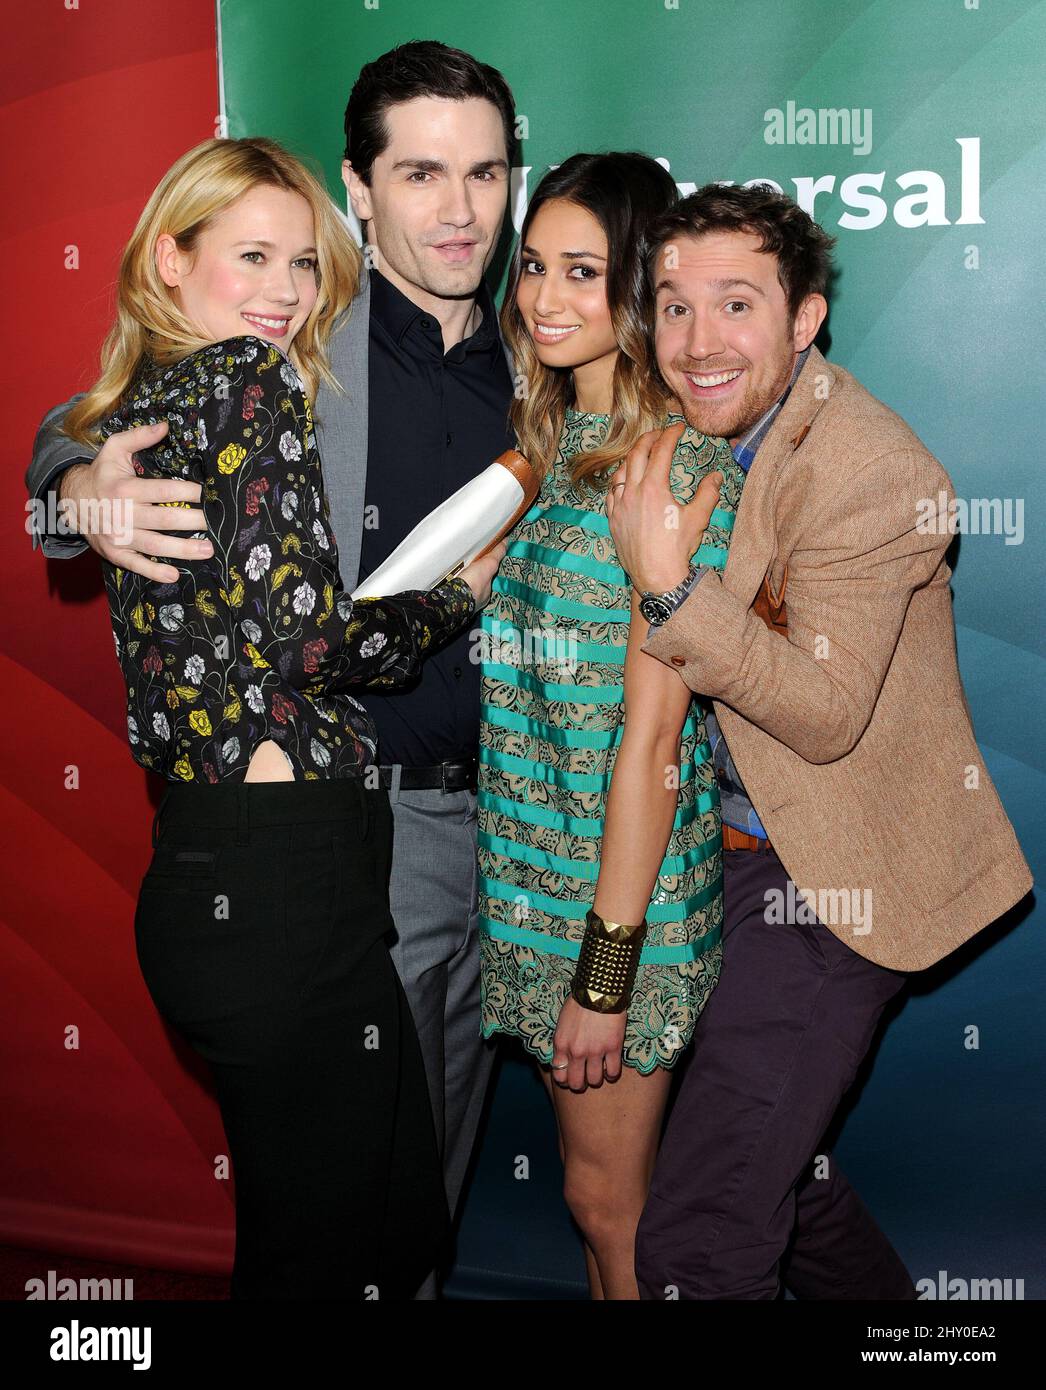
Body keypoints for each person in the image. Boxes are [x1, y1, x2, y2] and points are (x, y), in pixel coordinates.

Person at [25, 40, 518, 1297]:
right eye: (421, 173)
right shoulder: (292, 340)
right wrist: (73, 493)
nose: (458, 208)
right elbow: (83, 426)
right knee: (339, 1234)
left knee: (415, 1200)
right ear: (360, 186)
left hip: (514, 831)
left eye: (485, 172)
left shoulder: (547, 341)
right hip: (348, 840)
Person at [604, 182, 1033, 1299]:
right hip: (723, 865)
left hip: (833, 880)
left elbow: (823, 711)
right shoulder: (682, 433)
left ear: (803, 320)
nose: (698, 342)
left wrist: (665, 590)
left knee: (695, 1241)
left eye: (735, 305)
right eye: (675, 307)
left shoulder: (870, 469)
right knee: (779, 1183)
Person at [478, 153, 744, 1299]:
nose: (541, 297)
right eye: (533, 266)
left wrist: (604, 973)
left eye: (581, 273)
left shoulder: (672, 470)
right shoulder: (555, 455)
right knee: (599, 1211)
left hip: (612, 910)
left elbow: (652, 749)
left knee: (608, 1204)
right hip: (530, 886)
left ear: (637, 288)